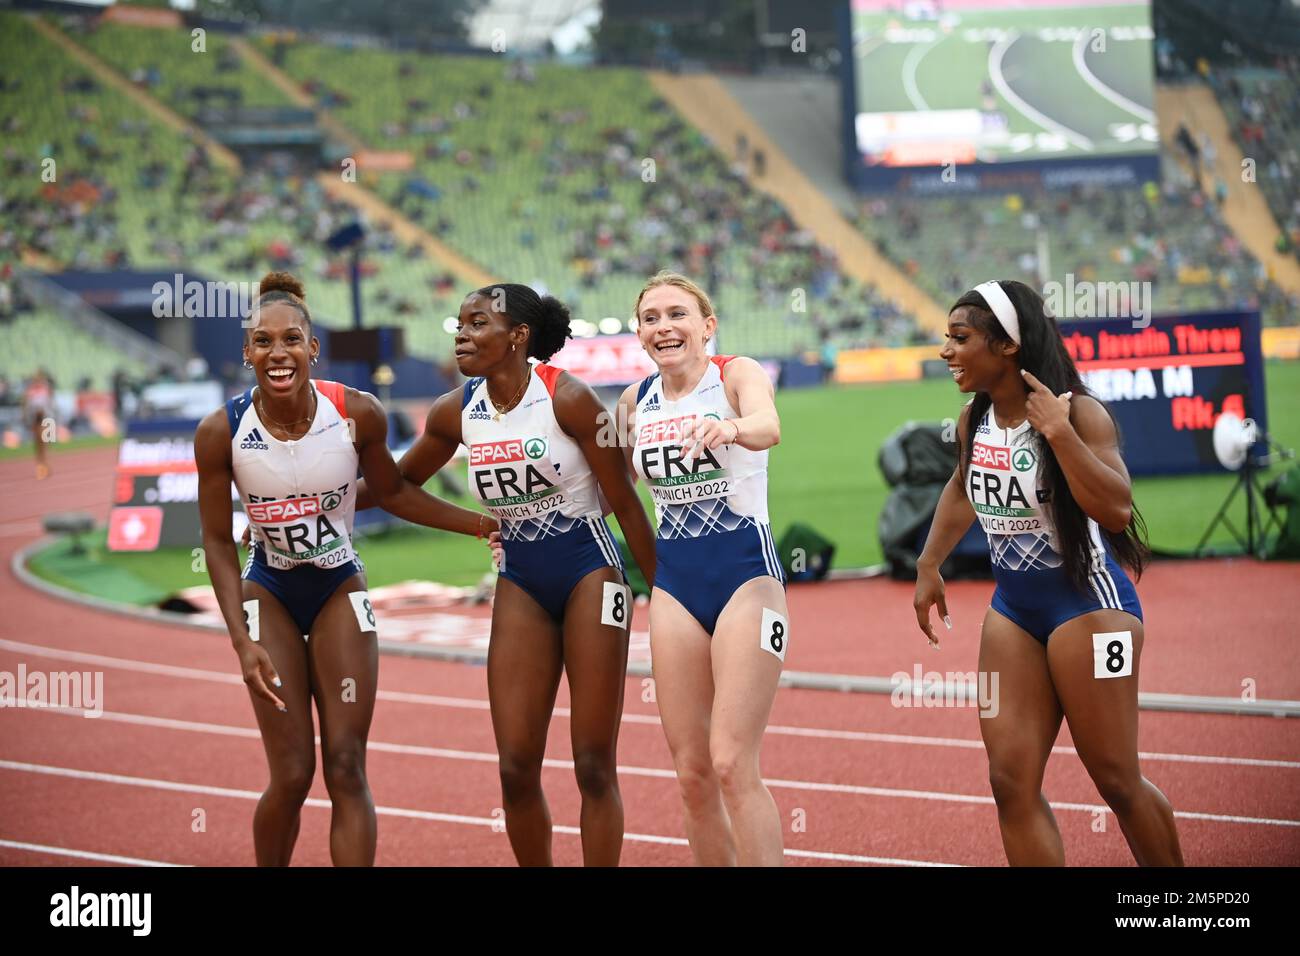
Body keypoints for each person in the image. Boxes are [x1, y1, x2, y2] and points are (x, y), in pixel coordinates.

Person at [195, 271, 495, 866]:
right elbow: (215, 540)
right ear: (247, 353)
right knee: (292, 774)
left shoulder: (357, 414)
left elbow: (392, 492)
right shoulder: (220, 432)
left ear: (313, 348)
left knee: (345, 767)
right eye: (262, 342)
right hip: (269, 590)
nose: (277, 354)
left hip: (339, 585)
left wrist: (480, 523)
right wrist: (240, 641)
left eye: (290, 341)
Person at [379, 283, 656, 866]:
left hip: (591, 573)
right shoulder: (454, 411)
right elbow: (393, 488)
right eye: (459, 324)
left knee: (592, 764)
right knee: (515, 766)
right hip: (521, 582)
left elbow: (626, 504)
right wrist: (476, 525)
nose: (462, 335)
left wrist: (665, 590)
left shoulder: (570, 399)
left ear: (518, 337)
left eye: (477, 323)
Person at [913, 279, 1183, 866]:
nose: (946, 351)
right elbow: (962, 486)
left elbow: (1114, 508)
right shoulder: (972, 419)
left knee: (1115, 779)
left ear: (1007, 345)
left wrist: (1058, 433)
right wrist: (929, 562)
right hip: (1014, 609)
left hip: (1089, 608)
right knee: (1009, 781)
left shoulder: (1079, 412)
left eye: (960, 339)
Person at [617, 271, 788, 866]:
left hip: (746, 577)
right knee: (691, 772)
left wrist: (731, 428)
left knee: (731, 762)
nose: (665, 327)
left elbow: (769, 426)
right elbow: (610, 485)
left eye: (678, 314)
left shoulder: (734, 375)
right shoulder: (633, 402)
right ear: (639, 334)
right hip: (675, 587)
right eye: (652, 318)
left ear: (706, 326)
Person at [23, 368, 54, 480]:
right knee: (37, 444)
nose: (38, 380)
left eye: (40, 377)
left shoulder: (46, 389)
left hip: (46, 419)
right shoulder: (31, 390)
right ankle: (41, 465)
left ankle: (44, 464)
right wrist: (25, 416)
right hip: (35, 419)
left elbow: (50, 404)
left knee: (45, 443)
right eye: (36, 378)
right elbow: (26, 404)